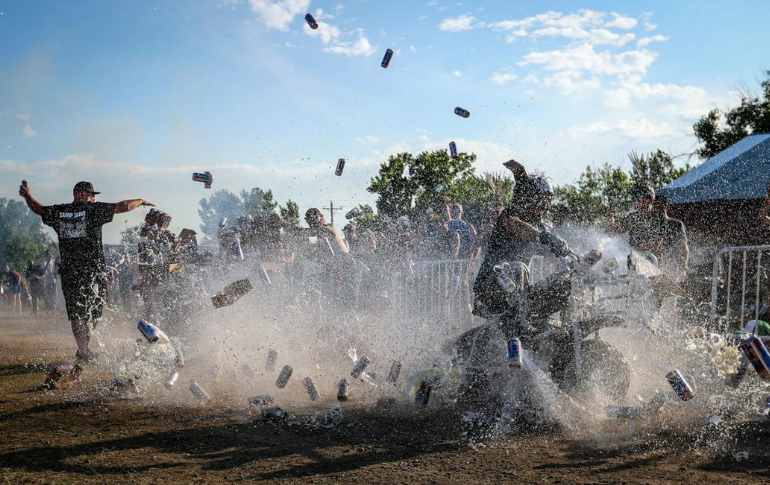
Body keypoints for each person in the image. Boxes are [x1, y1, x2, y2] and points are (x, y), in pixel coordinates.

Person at [19, 180, 154, 363]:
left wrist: (27, 195)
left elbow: (38, 209)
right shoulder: (93, 210)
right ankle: (85, 345)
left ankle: (83, 350)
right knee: (95, 310)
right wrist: (140, 201)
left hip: (70, 272)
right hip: (93, 272)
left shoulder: (60, 212)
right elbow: (122, 206)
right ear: (84, 194)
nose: (93, 199)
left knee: (76, 314)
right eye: (92, 195)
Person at [473, 159, 575, 320]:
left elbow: (555, 257)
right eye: (542, 200)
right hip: (491, 286)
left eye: (547, 200)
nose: (546, 206)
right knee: (518, 268)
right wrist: (542, 236)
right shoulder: (509, 215)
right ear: (529, 198)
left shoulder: (541, 227)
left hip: (516, 291)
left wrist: (575, 262)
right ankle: (521, 320)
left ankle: (563, 328)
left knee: (561, 282)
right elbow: (516, 225)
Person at [606, 185, 664, 254]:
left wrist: (633, 250)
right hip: (633, 256)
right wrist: (611, 215)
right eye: (633, 197)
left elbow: (656, 244)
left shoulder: (657, 217)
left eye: (638, 196)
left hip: (651, 258)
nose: (635, 200)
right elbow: (612, 232)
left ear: (650, 199)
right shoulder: (633, 217)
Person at [650, 195, 689, 282]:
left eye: (660, 207)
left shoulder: (677, 225)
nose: (657, 210)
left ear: (667, 207)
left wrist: (683, 269)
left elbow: (684, 249)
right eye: (656, 207)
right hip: (653, 268)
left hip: (672, 268)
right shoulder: (651, 225)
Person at [41, 250, 58, 314]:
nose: (48, 255)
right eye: (47, 254)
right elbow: (43, 270)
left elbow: (56, 269)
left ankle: (53, 309)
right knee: (48, 295)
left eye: (49, 254)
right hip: (47, 281)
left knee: (53, 295)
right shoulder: (44, 262)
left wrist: (56, 274)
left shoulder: (53, 261)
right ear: (45, 255)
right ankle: (49, 309)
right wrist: (48, 262)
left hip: (53, 281)